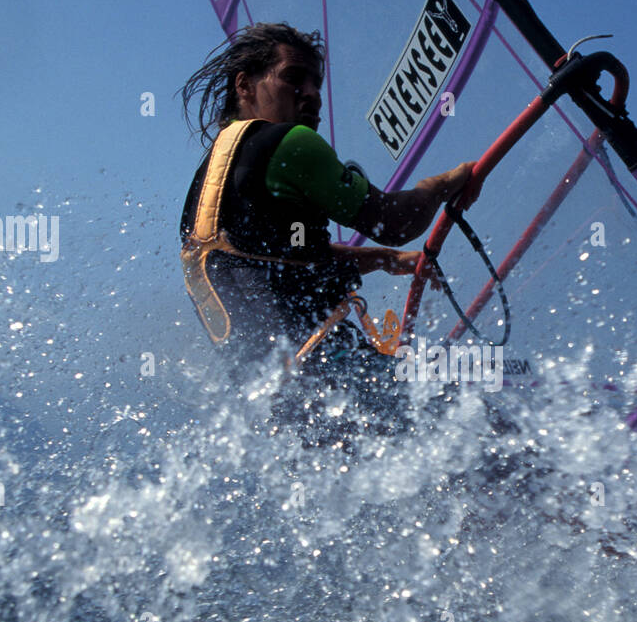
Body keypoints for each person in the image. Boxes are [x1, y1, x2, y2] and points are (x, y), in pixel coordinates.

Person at [179, 22, 474, 370]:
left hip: (268, 402)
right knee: (482, 403)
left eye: (316, 84)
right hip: (331, 370)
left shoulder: (203, 190)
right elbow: (396, 221)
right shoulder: (291, 142)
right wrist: (445, 182)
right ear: (244, 85)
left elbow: (275, 260)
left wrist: (388, 261)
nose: (312, 93)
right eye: (294, 78)